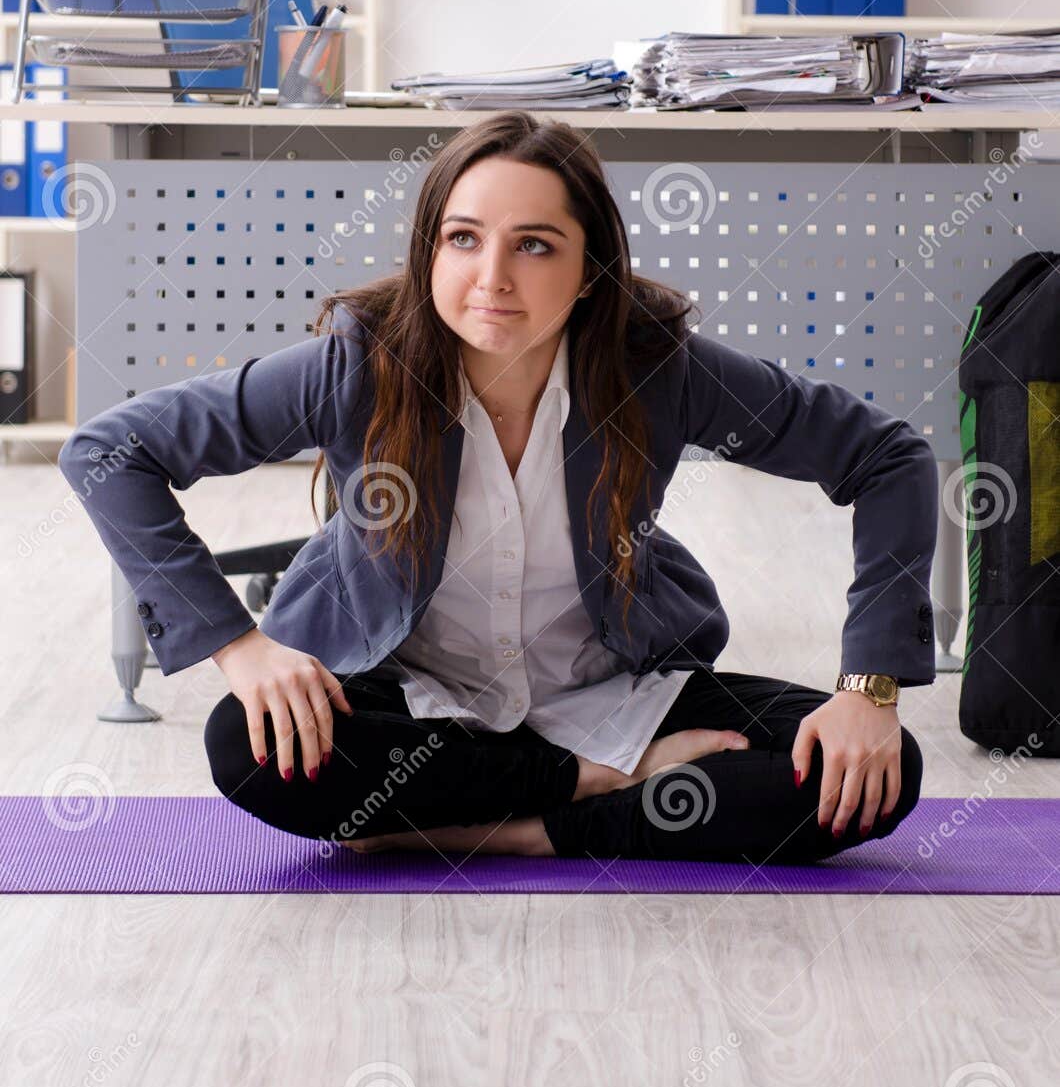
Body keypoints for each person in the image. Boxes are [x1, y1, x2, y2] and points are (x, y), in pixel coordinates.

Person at [59, 112, 936, 864]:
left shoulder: (658, 368)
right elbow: (110, 452)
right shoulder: (357, 363)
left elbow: (888, 458)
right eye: (464, 238)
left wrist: (870, 690)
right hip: (405, 696)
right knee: (244, 749)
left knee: (870, 774)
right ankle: (605, 792)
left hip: (612, 685)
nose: (492, 278)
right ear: (429, 249)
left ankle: (498, 832)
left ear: (592, 265)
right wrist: (239, 648)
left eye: (535, 245)